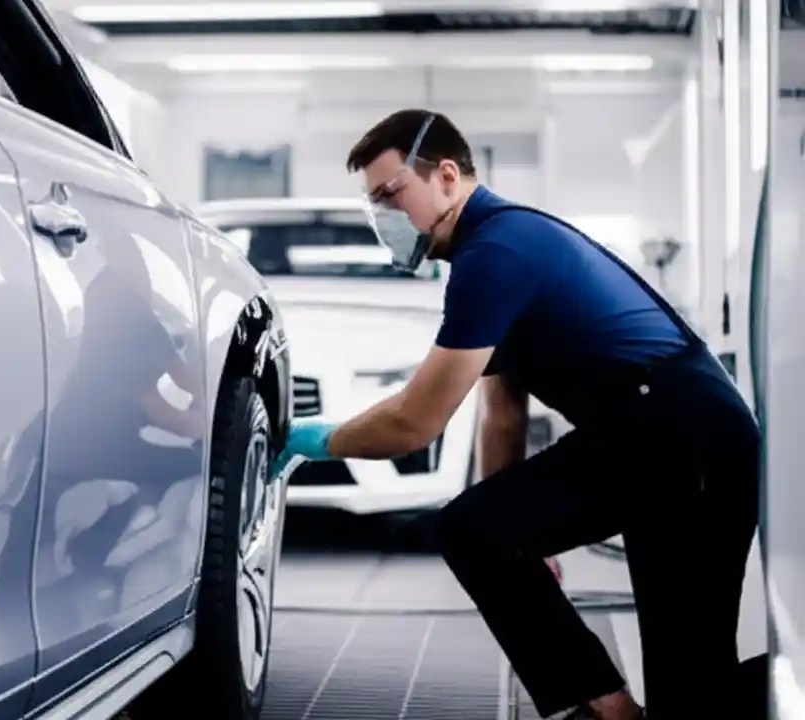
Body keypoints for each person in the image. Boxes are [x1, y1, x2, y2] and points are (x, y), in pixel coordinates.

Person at [271, 109, 761, 720]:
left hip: (684, 436)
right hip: (656, 437)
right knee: (486, 533)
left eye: (392, 194)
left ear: (446, 175)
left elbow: (414, 422)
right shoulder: (491, 247)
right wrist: (523, 535)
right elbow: (499, 412)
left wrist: (313, 439)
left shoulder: (497, 251)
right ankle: (611, 709)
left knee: (690, 678)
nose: (384, 218)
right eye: (374, 203)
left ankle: (611, 710)